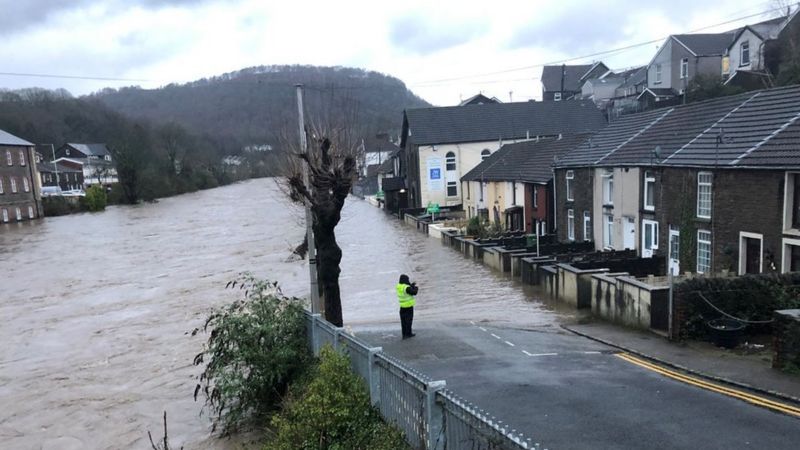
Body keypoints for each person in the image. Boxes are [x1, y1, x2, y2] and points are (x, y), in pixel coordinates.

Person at [396, 274, 418, 339]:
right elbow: (414, 292)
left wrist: (411, 285)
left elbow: (406, 288)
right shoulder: (406, 287)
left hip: (402, 307)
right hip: (408, 307)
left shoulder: (398, 286)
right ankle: (408, 333)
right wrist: (416, 288)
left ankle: (404, 334)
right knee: (409, 321)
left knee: (403, 321)